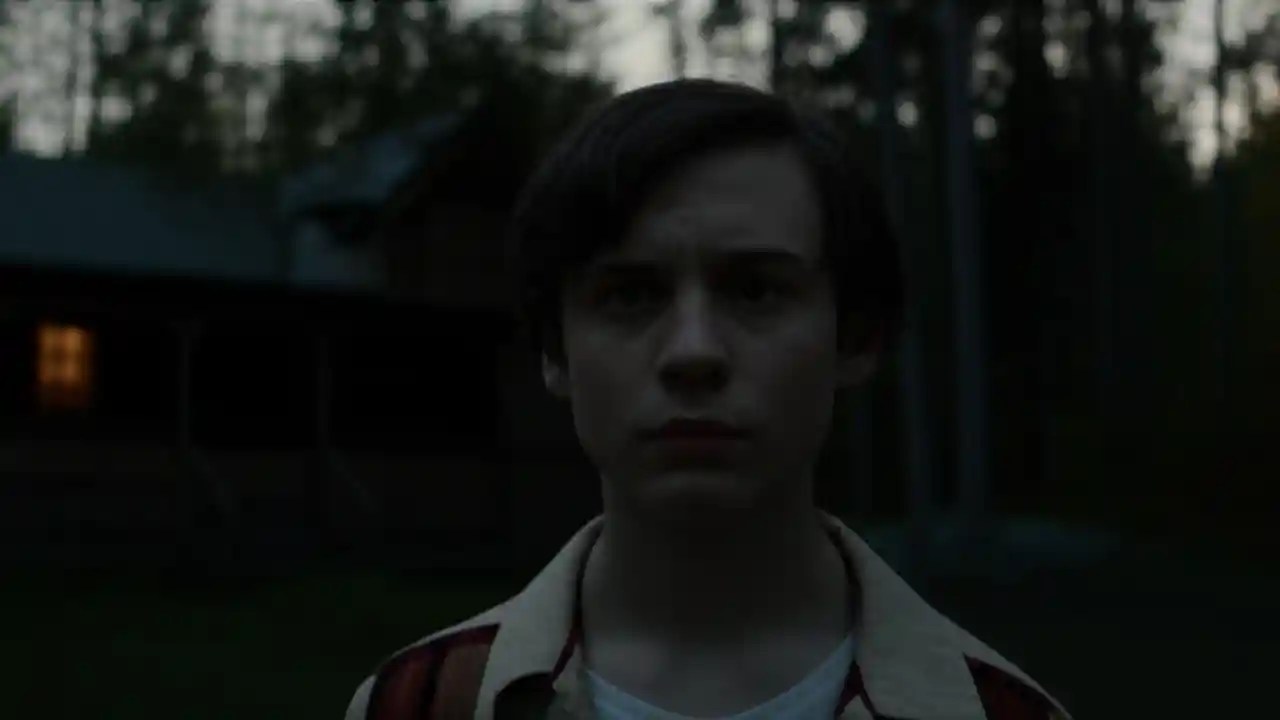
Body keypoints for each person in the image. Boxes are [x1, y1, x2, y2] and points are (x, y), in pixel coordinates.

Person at [345, 78, 1072, 720]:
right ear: (554, 350)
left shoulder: (1005, 715)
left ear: (854, 338)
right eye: (630, 294)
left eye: (755, 290)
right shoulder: (415, 705)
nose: (693, 351)